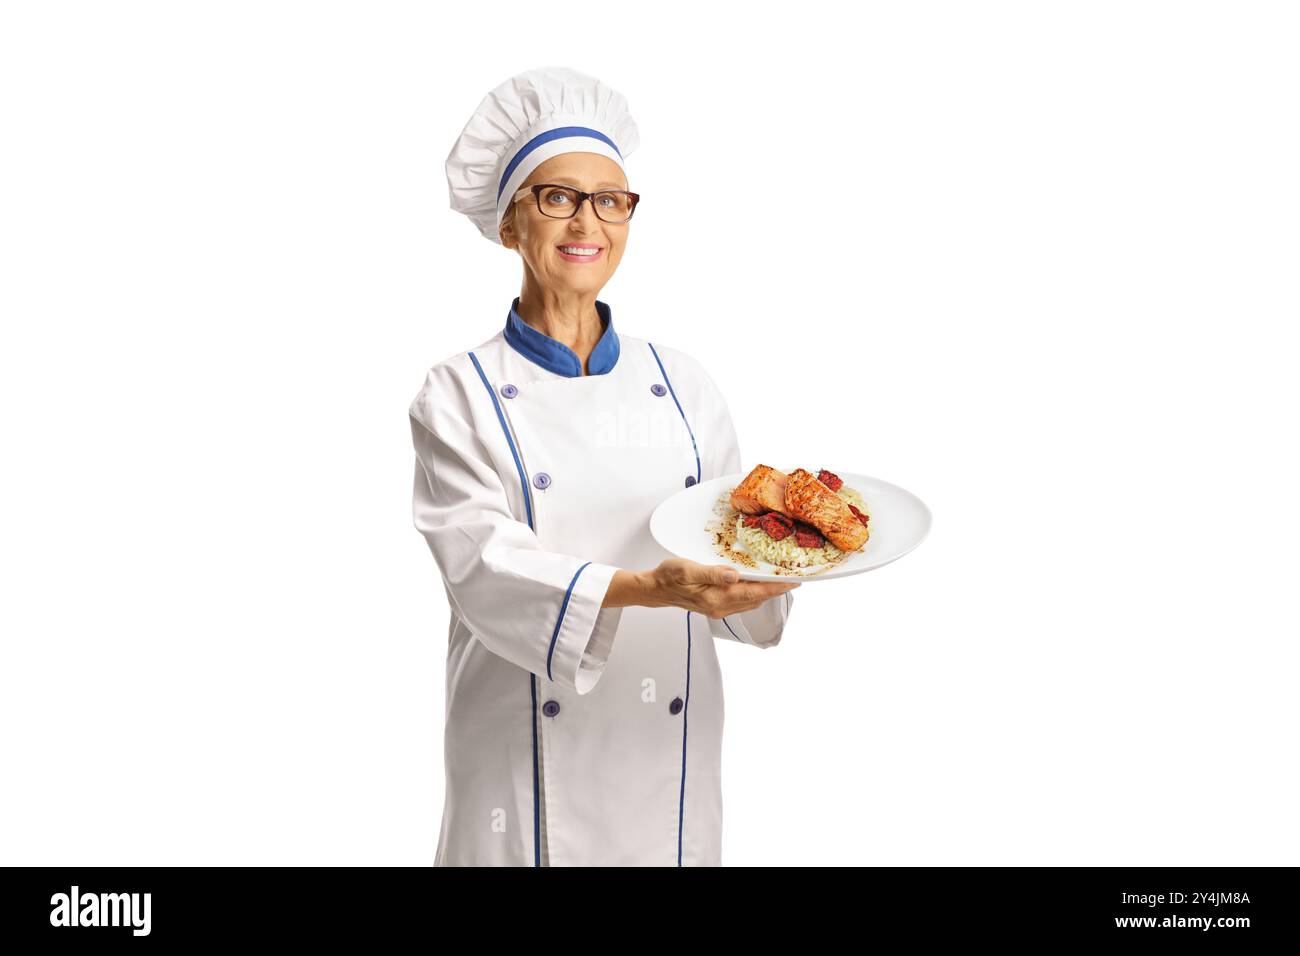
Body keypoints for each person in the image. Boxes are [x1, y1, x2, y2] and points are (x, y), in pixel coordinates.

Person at [409, 66, 798, 866]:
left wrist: (784, 562)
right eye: (558, 196)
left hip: (670, 778)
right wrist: (649, 591)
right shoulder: (459, 392)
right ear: (511, 223)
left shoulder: (685, 384)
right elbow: (486, 571)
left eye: (610, 200)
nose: (588, 220)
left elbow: (740, 567)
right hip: (522, 768)